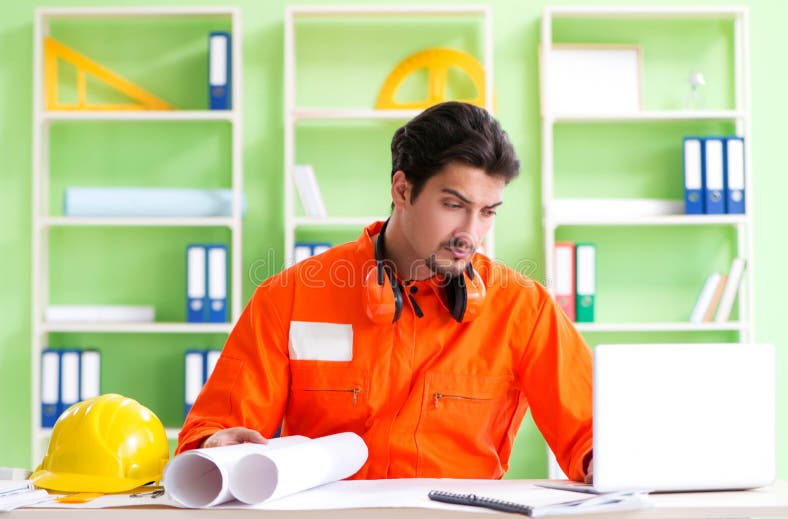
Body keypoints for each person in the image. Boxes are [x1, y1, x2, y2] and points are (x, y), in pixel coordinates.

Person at [177, 101, 593, 481]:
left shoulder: (525, 308)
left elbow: (591, 436)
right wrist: (214, 447)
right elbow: (210, 431)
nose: (470, 234)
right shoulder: (288, 296)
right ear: (402, 190)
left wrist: (603, 462)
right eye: (453, 205)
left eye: (486, 213)